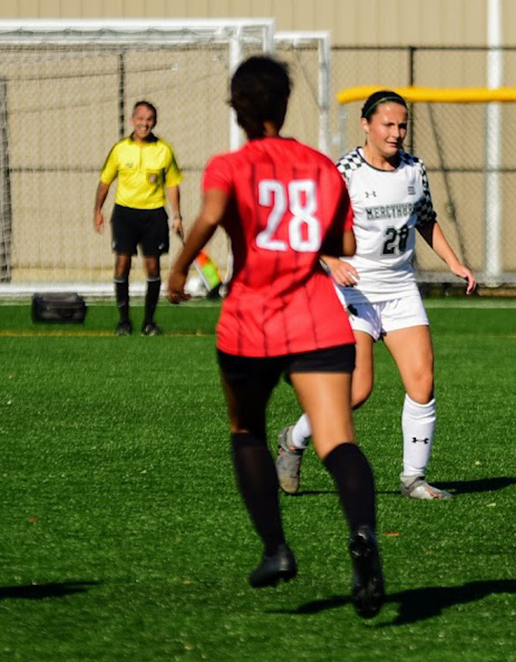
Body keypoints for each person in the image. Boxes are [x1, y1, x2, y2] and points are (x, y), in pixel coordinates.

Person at [165, 56, 384, 618]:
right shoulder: (320, 167)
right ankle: (362, 534)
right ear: (285, 106)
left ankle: (276, 550)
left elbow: (212, 216)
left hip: (251, 321)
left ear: (237, 109)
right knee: (338, 440)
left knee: (246, 429)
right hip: (316, 315)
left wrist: (178, 268)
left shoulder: (228, 166)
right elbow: (347, 244)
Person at [275, 90, 477, 501]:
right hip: (354, 290)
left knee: (422, 381)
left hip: (401, 288)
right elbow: (312, 229)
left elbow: (425, 220)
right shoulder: (345, 172)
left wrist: (454, 262)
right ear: (366, 125)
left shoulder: (414, 169)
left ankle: (413, 480)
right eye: (388, 124)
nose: (396, 133)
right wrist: (332, 261)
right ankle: (293, 440)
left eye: (402, 125)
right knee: (357, 391)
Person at [93, 100, 183, 336]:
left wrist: (177, 216)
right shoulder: (120, 149)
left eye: (149, 119)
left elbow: (172, 184)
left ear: (155, 122)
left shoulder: (164, 150)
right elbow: (105, 182)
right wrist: (97, 210)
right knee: (122, 263)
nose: (145, 123)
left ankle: (149, 322)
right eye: (141, 118)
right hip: (125, 213)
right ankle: (123, 321)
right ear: (132, 120)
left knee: (152, 267)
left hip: (154, 214)